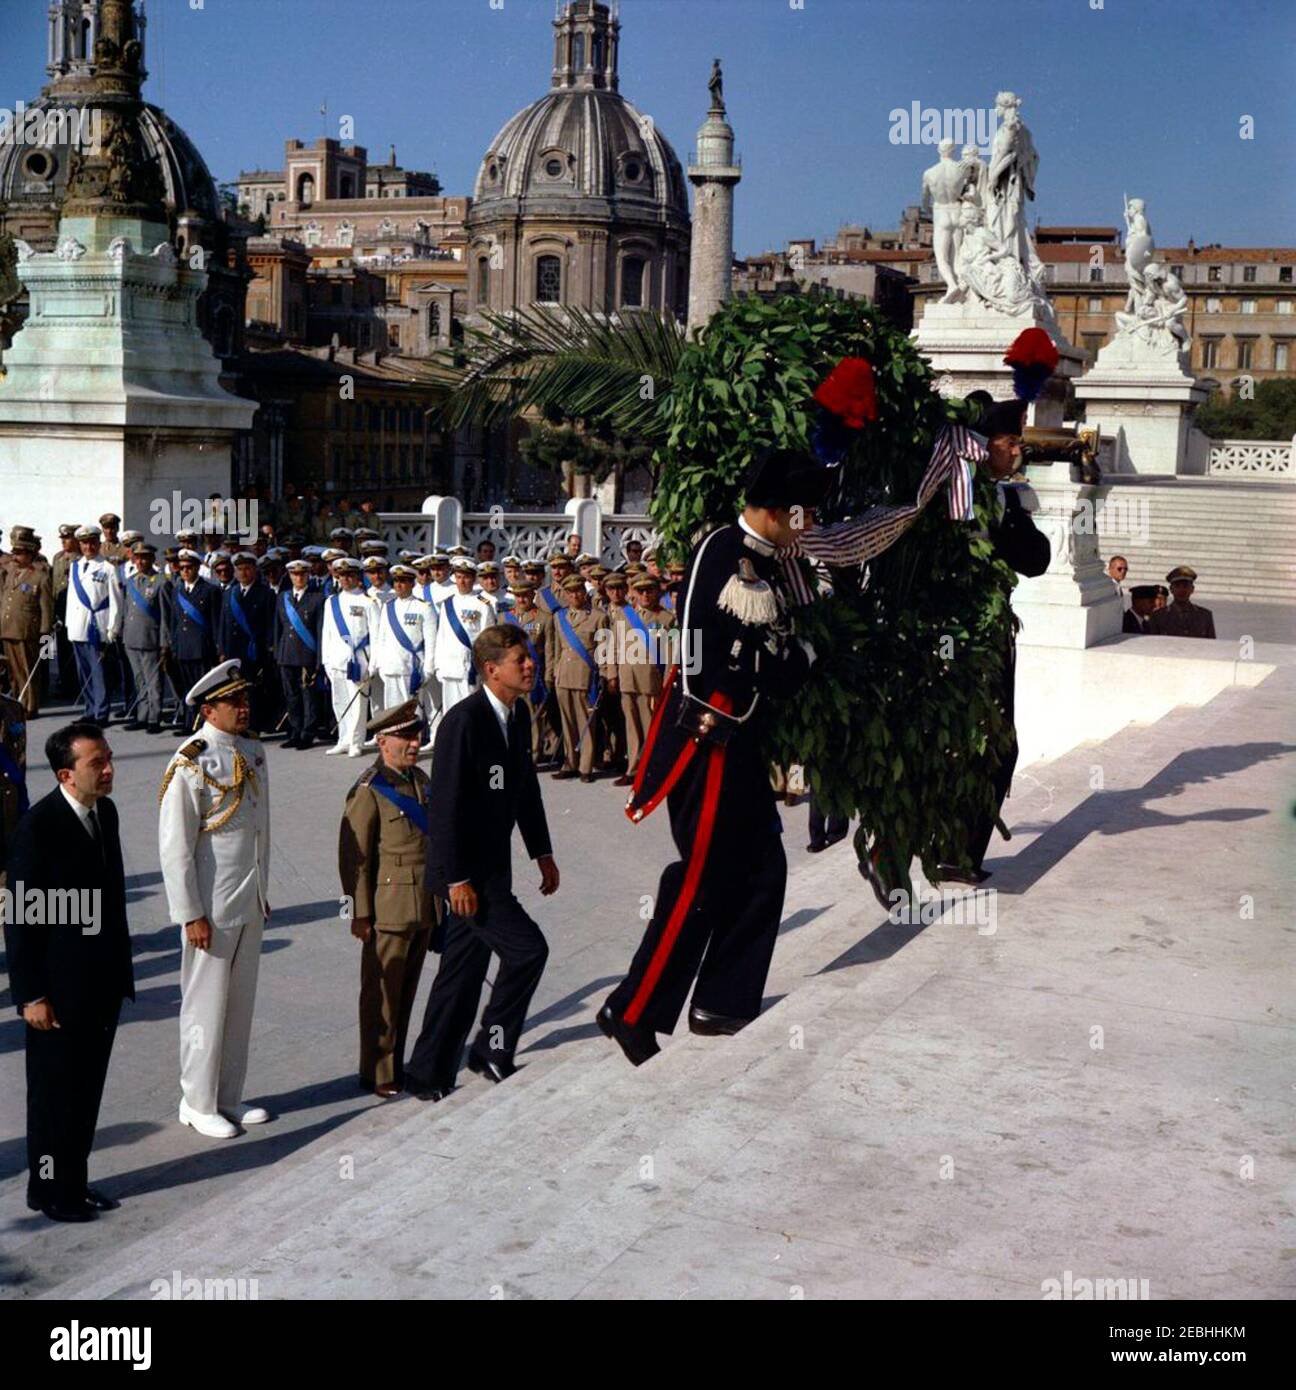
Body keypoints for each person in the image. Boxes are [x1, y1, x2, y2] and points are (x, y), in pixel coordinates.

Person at [598, 448, 824, 1066]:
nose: (808, 525)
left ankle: (721, 1000)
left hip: (741, 742)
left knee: (763, 868)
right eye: (804, 514)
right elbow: (705, 656)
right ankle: (632, 1008)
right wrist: (788, 664)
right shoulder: (723, 550)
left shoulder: (770, 560)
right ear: (778, 511)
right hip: (710, 742)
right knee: (699, 877)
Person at [405, 626, 558, 1100]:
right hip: (469, 875)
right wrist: (456, 880)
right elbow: (445, 808)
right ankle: (492, 1048)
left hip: (493, 868)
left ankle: (427, 1072)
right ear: (492, 670)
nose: (530, 665)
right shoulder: (463, 722)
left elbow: (525, 790)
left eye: (529, 657)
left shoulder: (518, 716)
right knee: (528, 950)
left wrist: (542, 852)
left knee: (462, 973)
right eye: (520, 660)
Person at [4, 721, 135, 1221]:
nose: (108, 770)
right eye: (95, 763)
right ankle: (49, 1191)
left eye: (108, 758)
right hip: (56, 993)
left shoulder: (107, 812)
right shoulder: (38, 828)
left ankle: (74, 1183)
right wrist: (31, 995)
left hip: (99, 984)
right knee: (53, 1098)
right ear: (65, 773)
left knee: (84, 1095)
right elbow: (20, 920)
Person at [936, 395, 1051, 887]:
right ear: (984, 448)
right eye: (1010, 443)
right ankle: (945, 849)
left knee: (995, 747)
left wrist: (1009, 508)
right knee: (972, 746)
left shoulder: (1003, 499)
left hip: (990, 636)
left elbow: (1037, 559)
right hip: (954, 640)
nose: (1017, 453)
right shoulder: (951, 497)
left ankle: (959, 852)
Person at [158, 661, 272, 1139]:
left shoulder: (253, 750)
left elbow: (261, 829)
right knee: (205, 1005)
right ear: (209, 709)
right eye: (233, 702)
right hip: (211, 905)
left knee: (239, 1005)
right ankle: (197, 1100)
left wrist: (263, 891)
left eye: (245, 700)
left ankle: (227, 1095)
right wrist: (190, 914)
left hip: (248, 898)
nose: (244, 708)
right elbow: (176, 846)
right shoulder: (190, 760)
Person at [338, 700, 439, 1097]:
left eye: (416, 736)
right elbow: (354, 859)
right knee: (381, 995)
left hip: (423, 904)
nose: (414, 743)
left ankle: (396, 1063)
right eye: (405, 737)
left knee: (407, 992)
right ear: (382, 741)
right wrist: (358, 913)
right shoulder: (369, 790)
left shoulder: (421, 780)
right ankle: (377, 1072)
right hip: (389, 908)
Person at [606, 572, 675, 786]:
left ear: (657, 591)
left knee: (650, 726)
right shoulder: (624, 615)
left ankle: (651, 770)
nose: (645, 594)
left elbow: (672, 655)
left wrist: (666, 682)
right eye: (641, 590)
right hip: (627, 678)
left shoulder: (667, 619)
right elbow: (613, 647)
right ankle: (633, 768)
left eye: (650, 590)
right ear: (633, 592)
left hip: (651, 680)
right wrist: (612, 674)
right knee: (631, 726)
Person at [547, 572, 611, 783]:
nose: (575, 595)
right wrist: (554, 672)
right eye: (571, 592)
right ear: (565, 594)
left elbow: (604, 648)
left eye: (579, 591)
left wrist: (604, 674)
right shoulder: (559, 617)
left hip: (585, 674)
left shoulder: (598, 616)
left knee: (586, 721)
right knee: (568, 721)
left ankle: (586, 766)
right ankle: (570, 763)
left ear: (585, 593)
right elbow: (555, 648)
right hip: (563, 676)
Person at [65, 525, 122, 725]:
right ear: (79, 545)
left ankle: (101, 713)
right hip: (78, 627)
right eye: (84, 543)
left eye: (92, 542)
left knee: (100, 674)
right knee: (84, 674)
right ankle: (89, 710)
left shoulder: (108, 568)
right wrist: (69, 626)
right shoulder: (75, 567)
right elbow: (72, 600)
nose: (88, 546)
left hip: (97, 627)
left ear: (98, 543)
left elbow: (116, 600)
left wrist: (113, 628)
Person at [322, 558, 376, 756]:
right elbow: (327, 633)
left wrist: (373, 663)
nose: (345, 579)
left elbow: (376, 635)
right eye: (342, 575)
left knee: (358, 703)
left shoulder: (368, 602)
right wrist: (326, 660)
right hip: (337, 659)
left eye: (350, 575)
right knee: (340, 701)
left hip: (360, 660)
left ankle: (356, 741)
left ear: (357, 576)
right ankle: (343, 739)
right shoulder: (331, 602)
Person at [373, 564, 436, 733]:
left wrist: (428, 669)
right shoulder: (388, 607)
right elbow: (382, 638)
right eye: (396, 582)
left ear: (412, 583)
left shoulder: (424, 607)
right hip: (391, 665)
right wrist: (380, 664)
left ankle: (412, 741)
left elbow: (431, 642)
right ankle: (394, 739)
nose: (399, 585)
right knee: (392, 709)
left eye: (404, 582)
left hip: (412, 667)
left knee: (411, 710)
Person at [165, 549, 221, 736]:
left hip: (202, 647)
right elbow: (174, 621)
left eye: (189, 567)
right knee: (188, 688)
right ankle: (190, 721)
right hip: (183, 647)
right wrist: (174, 644)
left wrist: (217, 647)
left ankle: (204, 723)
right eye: (182, 568)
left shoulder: (209, 590)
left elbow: (215, 622)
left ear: (197, 567)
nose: (185, 571)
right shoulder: (177, 590)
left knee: (203, 688)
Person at [273, 558, 326, 749]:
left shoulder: (317, 598)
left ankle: (307, 733)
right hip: (286, 654)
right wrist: (277, 653)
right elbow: (277, 627)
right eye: (295, 574)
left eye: (302, 574)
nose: (299, 577)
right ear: (290, 575)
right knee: (291, 696)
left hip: (307, 654)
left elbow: (320, 631)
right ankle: (295, 731)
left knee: (308, 697)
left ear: (308, 575)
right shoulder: (283, 597)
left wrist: (319, 659)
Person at [0, 528, 53, 716]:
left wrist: (45, 633)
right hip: (8, 628)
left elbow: (46, 607)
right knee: (13, 671)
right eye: (14, 552)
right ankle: (16, 703)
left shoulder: (40, 576)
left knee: (28, 670)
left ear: (30, 553)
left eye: (20, 553)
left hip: (26, 630)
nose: (15, 556)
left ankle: (30, 706)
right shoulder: (11, 572)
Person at [502, 580, 554, 765]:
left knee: (534, 715)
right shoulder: (504, 618)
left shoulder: (544, 618)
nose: (522, 599)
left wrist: (548, 677)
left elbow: (549, 650)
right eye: (518, 595)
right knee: (510, 715)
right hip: (509, 676)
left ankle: (533, 754)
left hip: (533, 675)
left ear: (533, 595)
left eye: (525, 595)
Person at [432, 558, 494, 713]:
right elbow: (441, 638)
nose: (462, 581)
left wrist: (482, 667)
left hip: (470, 668)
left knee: (470, 712)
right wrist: (438, 666)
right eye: (459, 577)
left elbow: (487, 640)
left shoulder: (483, 604)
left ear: (473, 578)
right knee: (449, 711)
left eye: (466, 577)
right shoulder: (446, 604)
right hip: (449, 668)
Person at [120, 542, 166, 734]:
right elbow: (126, 610)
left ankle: (155, 717)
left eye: (145, 557)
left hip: (150, 638)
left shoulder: (161, 582)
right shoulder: (130, 581)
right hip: (131, 638)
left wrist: (164, 642)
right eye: (137, 558)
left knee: (152, 681)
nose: (140, 561)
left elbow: (165, 615)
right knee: (139, 680)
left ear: (152, 559)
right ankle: (142, 715)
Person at [1145, 566, 1215, 638]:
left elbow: (1211, 645)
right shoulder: (1158, 616)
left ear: (1192, 589)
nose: (1181, 590)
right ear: (1171, 589)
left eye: (1185, 586)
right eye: (1177, 586)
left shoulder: (1205, 616)